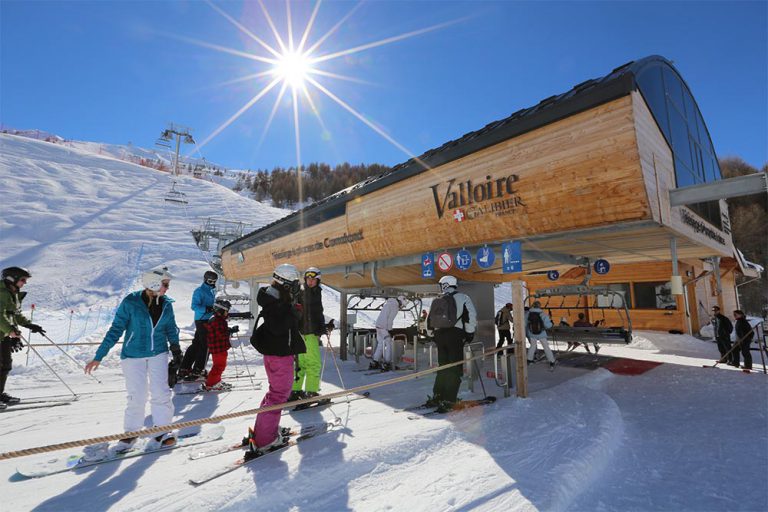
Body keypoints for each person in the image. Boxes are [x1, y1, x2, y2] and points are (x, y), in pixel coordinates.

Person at [85, 266, 181, 450]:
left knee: (161, 392)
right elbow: (116, 329)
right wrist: (99, 356)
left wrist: (176, 350)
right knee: (137, 395)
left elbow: (170, 328)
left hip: (158, 353)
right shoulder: (131, 302)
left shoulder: (167, 304)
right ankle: (131, 432)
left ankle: (163, 430)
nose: (167, 289)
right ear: (153, 283)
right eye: (165, 284)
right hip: (133, 355)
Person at [246, 264, 306, 460]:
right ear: (286, 285)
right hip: (279, 356)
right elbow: (281, 327)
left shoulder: (274, 299)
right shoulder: (278, 304)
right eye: (295, 284)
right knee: (279, 395)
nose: (297, 287)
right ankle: (265, 439)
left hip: (275, 354)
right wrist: (293, 312)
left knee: (275, 393)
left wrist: (292, 309)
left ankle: (264, 429)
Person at [426, 276, 477, 412]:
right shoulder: (463, 297)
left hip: (439, 335)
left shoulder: (438, 299)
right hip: (455, 334)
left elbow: (429, 319)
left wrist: (432, 334)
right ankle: (449, 400)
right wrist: (469, 334)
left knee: (443, 367)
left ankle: (437, 396)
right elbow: (470, 316)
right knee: (455, 368)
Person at [0, 267, 45, 409]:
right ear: (12, 279)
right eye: (23, 280)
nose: (24, 283)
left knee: (5, 365)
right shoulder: (1, 293)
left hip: (3, 335)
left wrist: (29, 325)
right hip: (3, 332)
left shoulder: (12, 293)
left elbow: (14, 314)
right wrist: (11, 331)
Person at [290, 267, 332, 407]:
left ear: (318, 280)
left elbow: (315, 314)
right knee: (313, 363)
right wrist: (318, 328)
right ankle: (311, 392)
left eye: (313, 279)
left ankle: (295, 391)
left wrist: (323, 326)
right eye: (308, 278)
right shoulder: (307, 293)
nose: (310, 281)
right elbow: (307, 315)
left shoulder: (313, 292)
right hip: (308, 334)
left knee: (301, 364)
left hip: (302, 333)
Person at [179, 270, 218, 381]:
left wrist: (215, 309)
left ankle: (185, 367)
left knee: (197, 344)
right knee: (206, 345)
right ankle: (198, 369)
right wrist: (206, 308)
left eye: (214, 281)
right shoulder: (199, 291)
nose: (212, 283)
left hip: (207, 320)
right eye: (210, 281)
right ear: (205, 280)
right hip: (201, 320)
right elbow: (194, 306)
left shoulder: (211, 291)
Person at [201, 298, 236, 391]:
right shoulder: (218, 321)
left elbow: (220, 332)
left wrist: (229, 330)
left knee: (219, 365)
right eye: (226, 312)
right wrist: (230, 331)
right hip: (219, 348)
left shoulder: (217, 320)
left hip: (218, 348)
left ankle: (216, 380)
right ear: (220, 311)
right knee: (219, 366)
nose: (227, 314)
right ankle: (210, 384)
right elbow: (221, 334)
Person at [370, 295, 406, 371]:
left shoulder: (388, 303)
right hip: (384, 327)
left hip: (378, 326)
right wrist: (390, 330)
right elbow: (389, 319)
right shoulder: (394, 307)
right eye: (402, 305)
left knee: (381, 344)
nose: (401, 307)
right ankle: (387, 363)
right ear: (400, 302)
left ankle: (375, 361)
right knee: (389, 344)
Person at [526, 300, 556, 370]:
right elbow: (548, 326)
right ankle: (552, 361)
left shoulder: (528, 314)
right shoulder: (543, 314)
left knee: (532, 346)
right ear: (539, 306)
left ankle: (529, 359)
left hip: (532, 333)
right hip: (541, 333)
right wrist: (551, 323)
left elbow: (525, 323)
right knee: (546, 347)